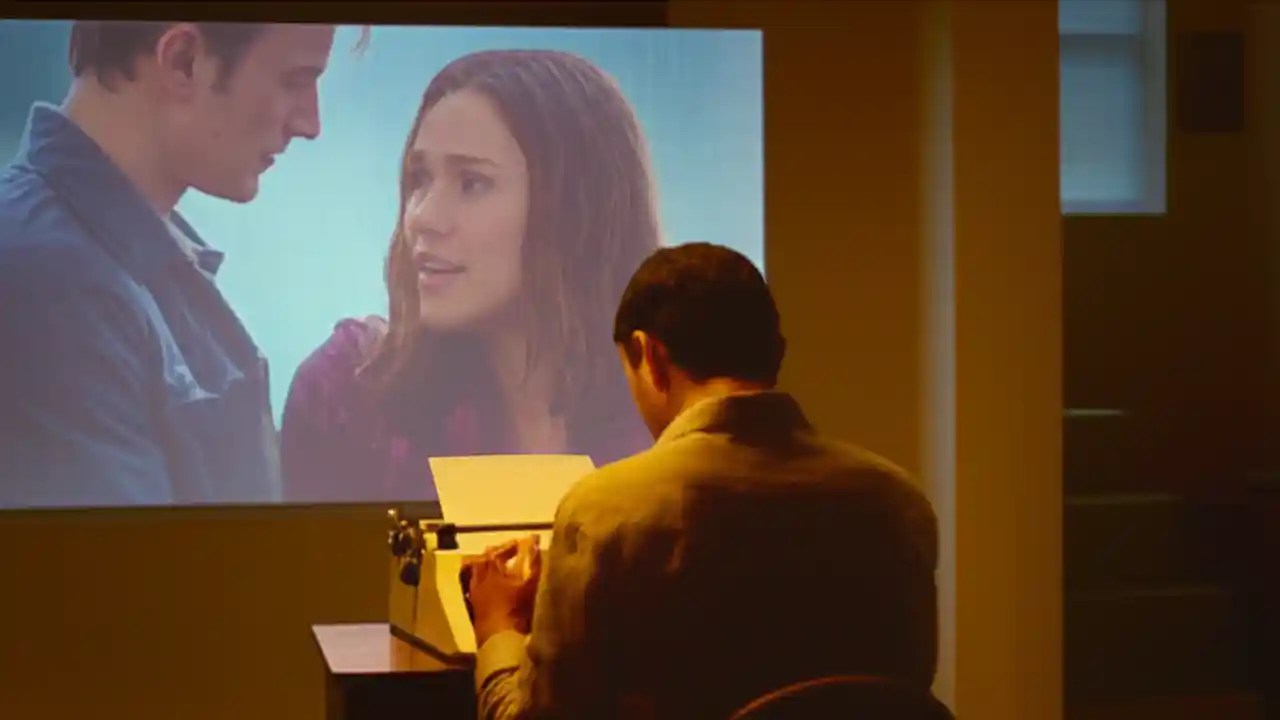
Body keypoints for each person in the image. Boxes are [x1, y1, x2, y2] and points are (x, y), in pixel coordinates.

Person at [466, 243, 940, 719]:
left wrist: (498, 626)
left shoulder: (604, 512)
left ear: (649, 354)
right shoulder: (900, 503)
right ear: (775, 354)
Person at [280, 50, 658, 504]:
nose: (422, 217)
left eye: (472, 183)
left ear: (577, 210)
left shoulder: (681, 420)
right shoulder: (346, 397)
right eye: (419, 179)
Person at [0, 21, 336, 507]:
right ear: (183, 61)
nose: (310, 124)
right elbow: (134, 555)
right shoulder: (49, 284)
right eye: (294, 80)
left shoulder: (116, 259)